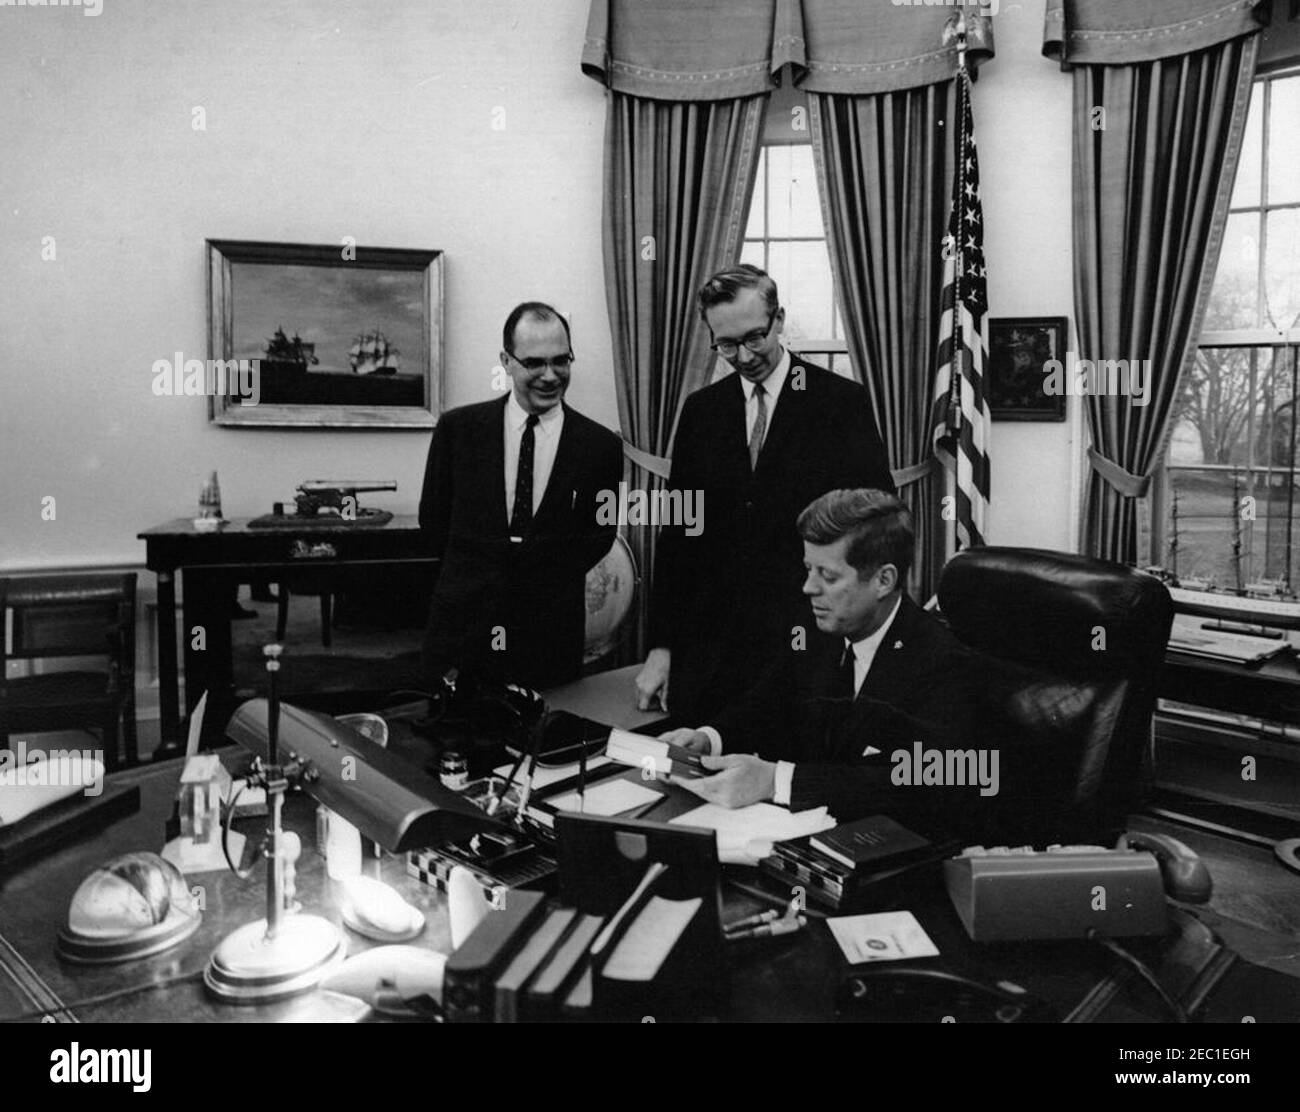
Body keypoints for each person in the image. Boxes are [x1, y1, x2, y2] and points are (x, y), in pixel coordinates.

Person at [634, 264, 894, 721]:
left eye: (755, 337)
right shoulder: (701, 412)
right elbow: (677, 542)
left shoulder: (840, 402)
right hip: (714, 649)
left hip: (808, 644)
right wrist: (661, 647)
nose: (744, 355)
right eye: (727, 344)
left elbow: (876, 524)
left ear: (779, 320)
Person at [658, 489, 986, 825]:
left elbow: (921, 786)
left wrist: (776, 781)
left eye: (827, 576)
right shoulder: (814, 629)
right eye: (808, 569)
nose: (808, 588)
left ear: (883, 580)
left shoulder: (942, 661)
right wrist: (709, 739)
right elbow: (768, 703)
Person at [418, 302, 623, 690]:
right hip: (461, 634)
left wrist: (539, 581)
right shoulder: (458, 430)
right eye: (534, 363)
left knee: (545, 745)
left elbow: (598, 537)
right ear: (506, 362)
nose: (550, 376)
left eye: (561, 361)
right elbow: (433, 522)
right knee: (450, 744)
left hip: (549, 638)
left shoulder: (600, 447)